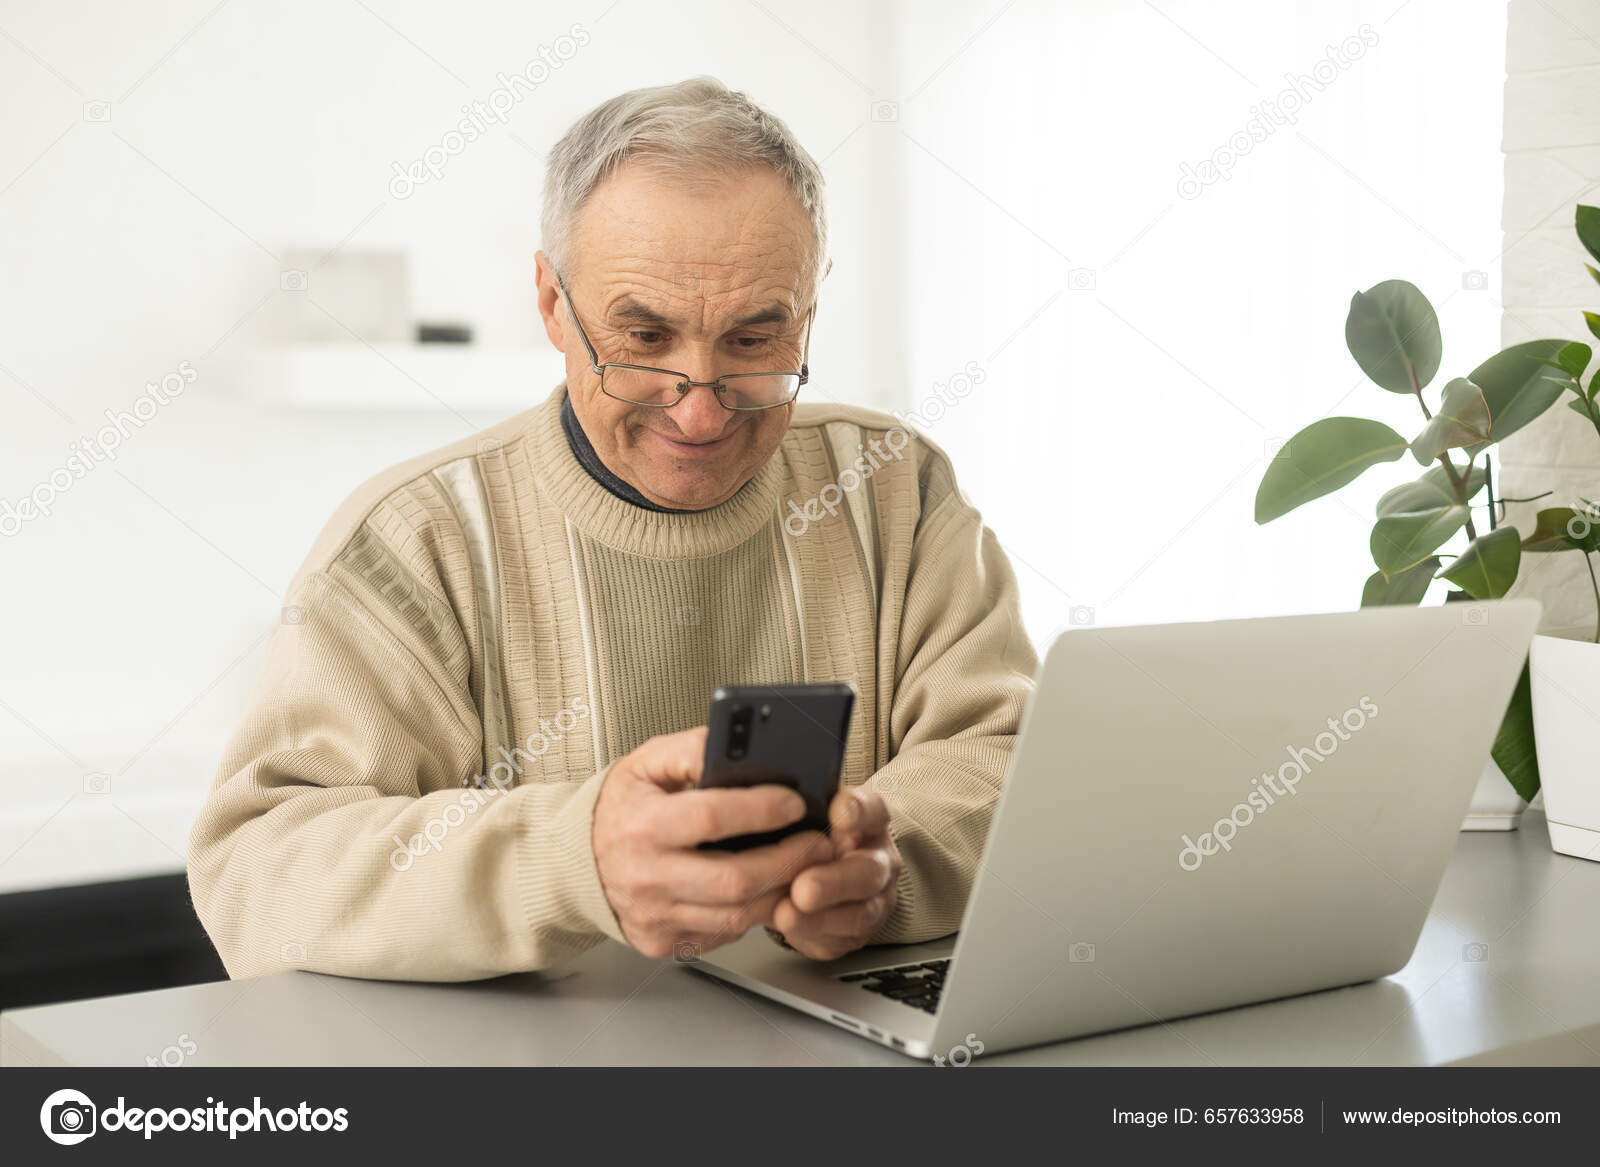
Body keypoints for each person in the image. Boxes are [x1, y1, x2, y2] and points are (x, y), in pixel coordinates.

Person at [188, 76, 1036, 981]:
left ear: (811, 307)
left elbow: (1014, 757)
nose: (699, 411)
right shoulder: (413, 543)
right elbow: (257, 873)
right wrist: (573, 858)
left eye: (755, 340)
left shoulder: (894, 490)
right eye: (643, 338)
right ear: (553, 304)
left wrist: (886, 870)